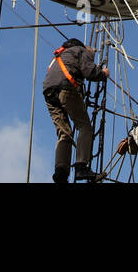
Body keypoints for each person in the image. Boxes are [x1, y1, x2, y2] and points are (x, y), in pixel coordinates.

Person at [43, 37, 108, 183]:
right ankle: (81, 167)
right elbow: (90, 72)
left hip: (49, 93)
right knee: (84, 127)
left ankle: (61, 173)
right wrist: (103, 73)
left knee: (64, 133)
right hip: (66, 89)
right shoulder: (82, 51)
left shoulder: (59, 56)